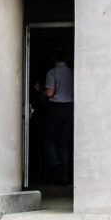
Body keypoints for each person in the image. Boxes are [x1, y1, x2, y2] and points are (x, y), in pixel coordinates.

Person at [40, 53, 74, 183]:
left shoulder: (52, 72)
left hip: (57, 108)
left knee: (48, 139)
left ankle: (55, 162)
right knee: (63, 143)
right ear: (67, 58)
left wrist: (39, 90)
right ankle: (64, 177)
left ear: (53, 58)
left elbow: (49, 93)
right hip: (70, 107)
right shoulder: (72, 72)